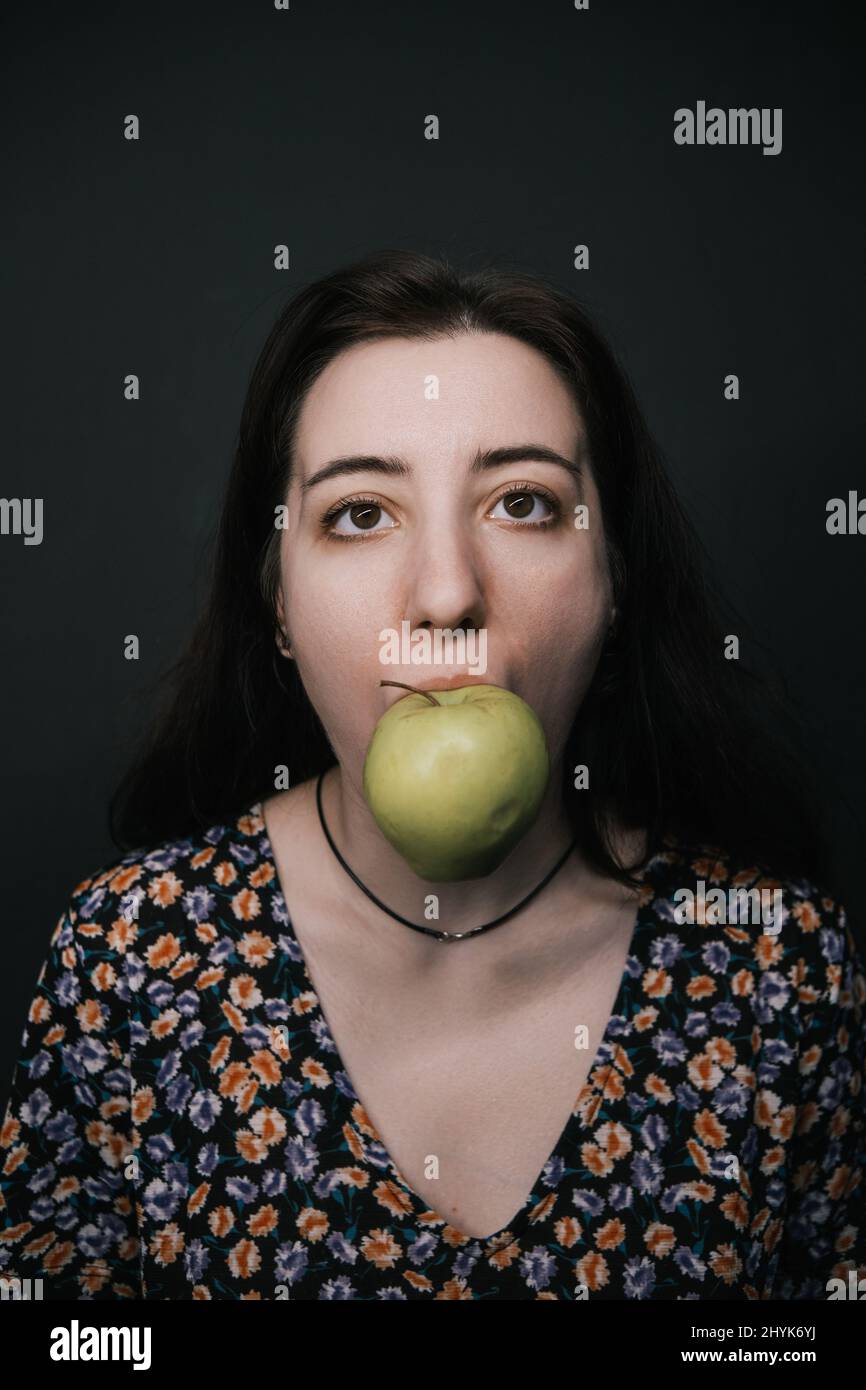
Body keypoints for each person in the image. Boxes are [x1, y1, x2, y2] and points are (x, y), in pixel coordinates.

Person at [1, 250, 863, 1301]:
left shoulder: (776, 968)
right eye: (360, 513)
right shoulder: (129, 959)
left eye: (524, 502)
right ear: (278, 600)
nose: (447, 593)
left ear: (614, 581)